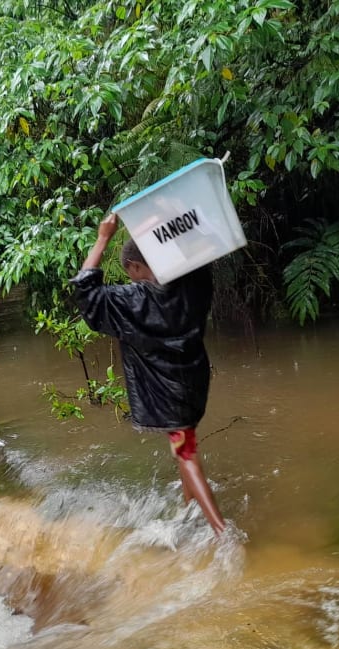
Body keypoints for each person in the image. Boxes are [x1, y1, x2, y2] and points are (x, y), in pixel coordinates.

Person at [71, 214, 226, 535]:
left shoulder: (134, 300)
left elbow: (87, 291)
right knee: (185, 445)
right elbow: (199, 250)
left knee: (186, 455)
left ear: (137, 267)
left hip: (167, 394)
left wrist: (103, 238)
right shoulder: (193, 284)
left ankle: (221, 532)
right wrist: (160, 228)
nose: (130, 279)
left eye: (130, 273)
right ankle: (189, 511)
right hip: (194, 381)